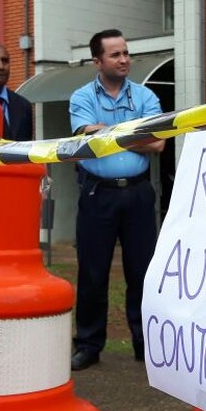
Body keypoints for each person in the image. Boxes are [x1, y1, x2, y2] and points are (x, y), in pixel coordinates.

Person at [68, 29, 164, 371]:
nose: (124, 60)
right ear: (98, 61)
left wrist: (107, 132)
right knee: (92, 273)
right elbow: (87, 140)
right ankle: (89, 345)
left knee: (142, 272)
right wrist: (133, 134)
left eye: (126, 53)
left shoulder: (146, 96)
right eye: (115, 55)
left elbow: (157, 144)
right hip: (98, 194)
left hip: (138, 194)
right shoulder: (81, 97)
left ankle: (145, 346)